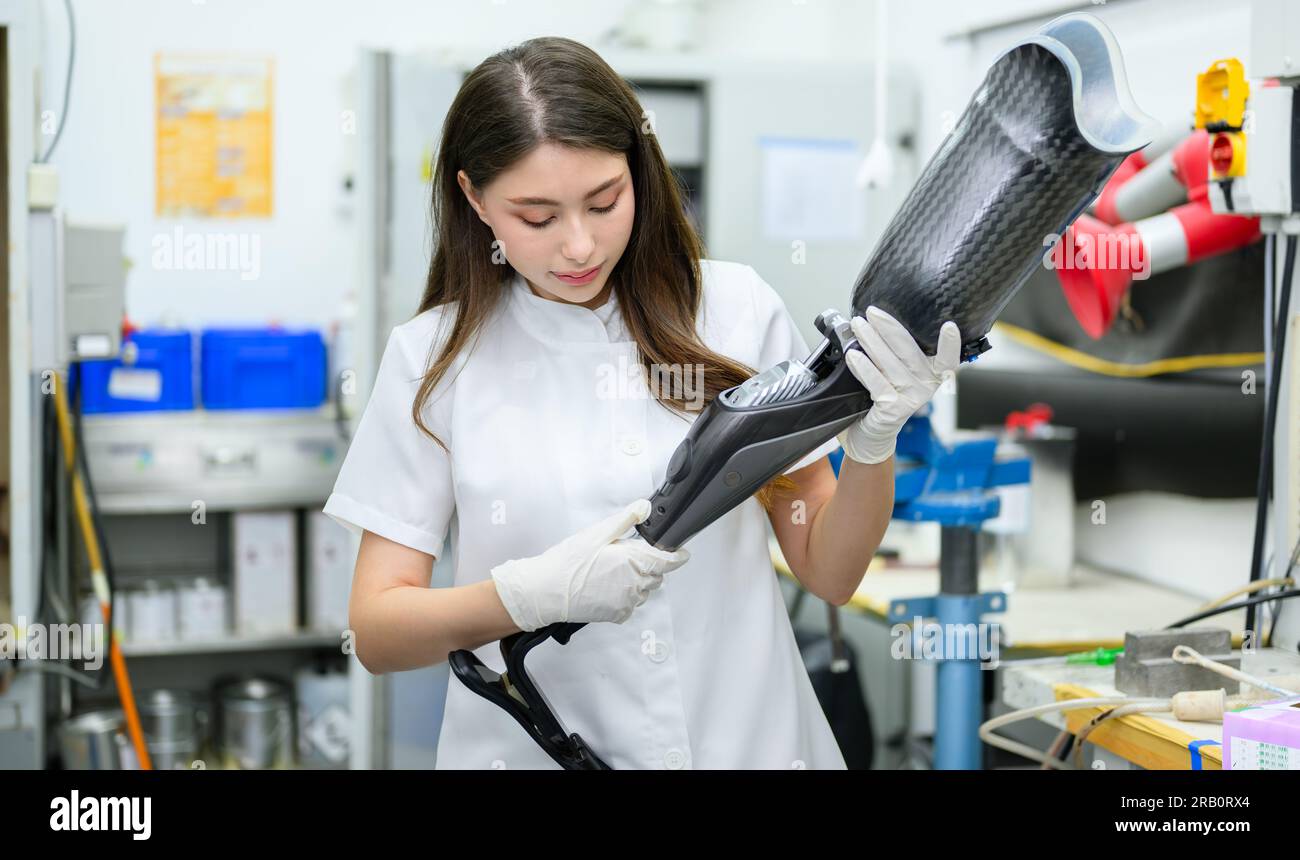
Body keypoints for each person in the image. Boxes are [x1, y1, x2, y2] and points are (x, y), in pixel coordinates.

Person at [323, 36, 960, 769]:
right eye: (537, 217)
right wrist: (526, 598)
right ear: (474, 198)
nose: (580, 245)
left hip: (750, 743)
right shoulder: (433, 359)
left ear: (639, 170)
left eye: (605, 201)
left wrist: (872, 445)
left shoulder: (734, 309)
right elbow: (376, 631)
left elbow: (830, 572)